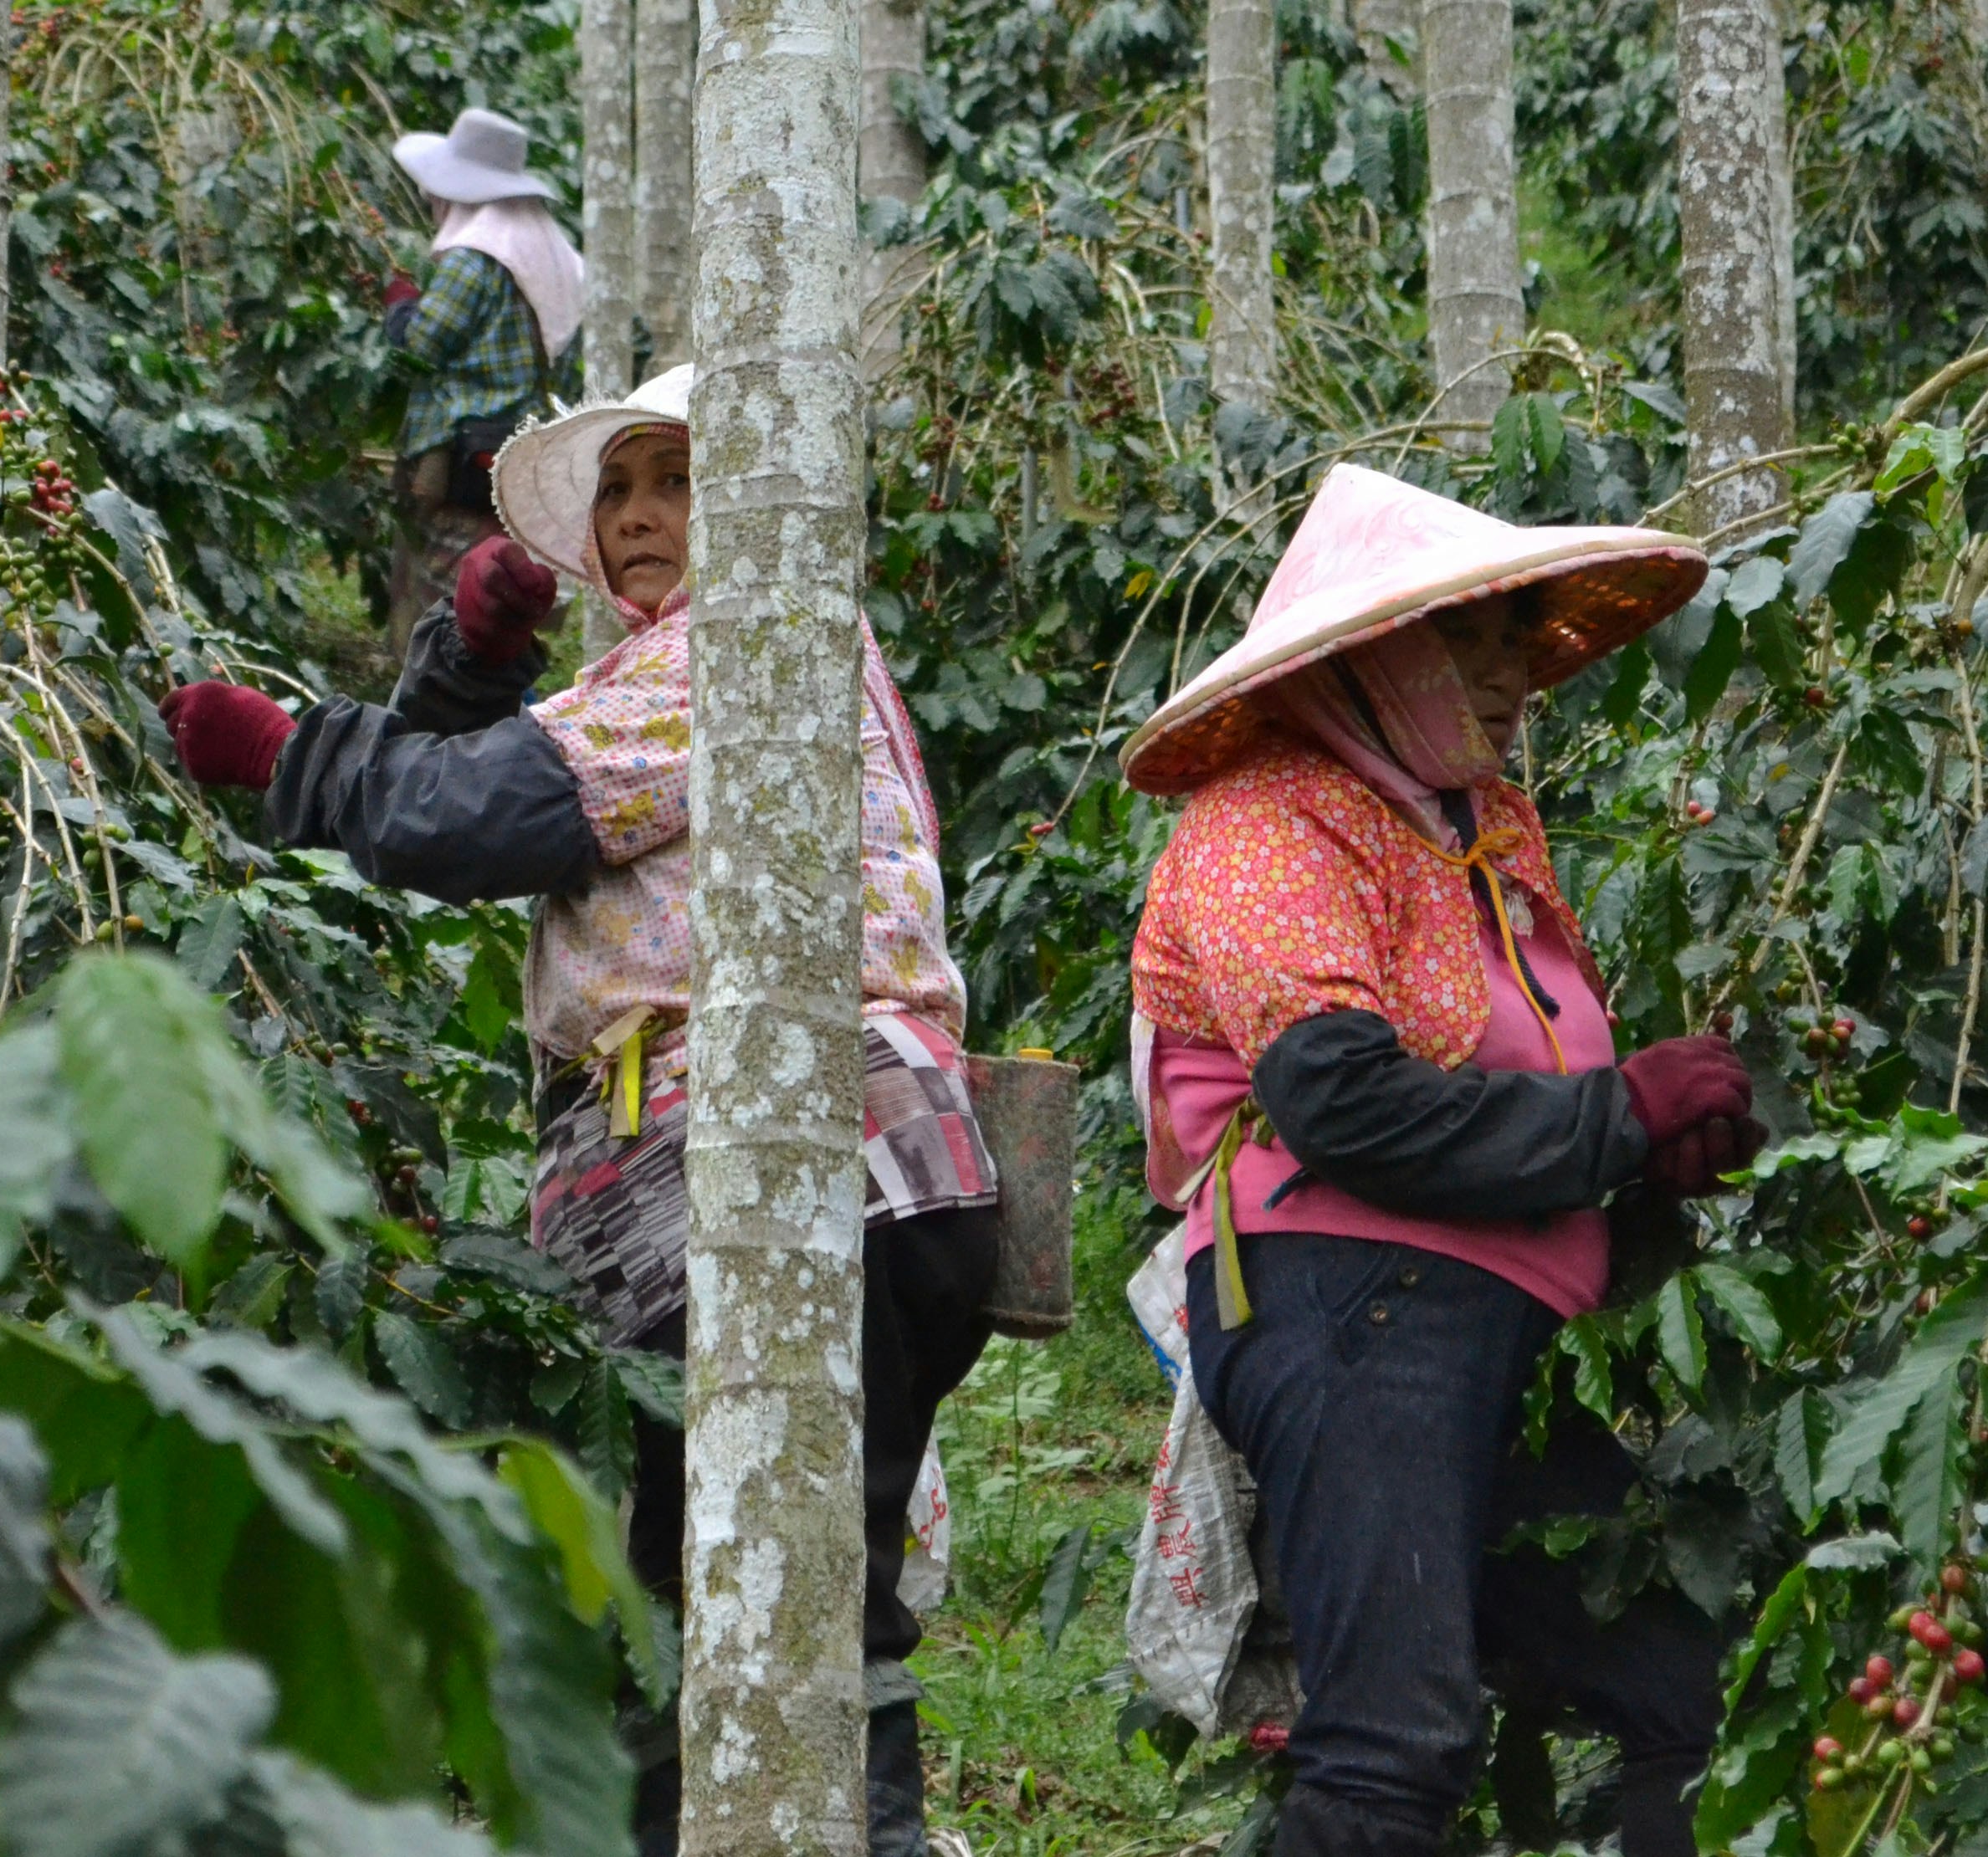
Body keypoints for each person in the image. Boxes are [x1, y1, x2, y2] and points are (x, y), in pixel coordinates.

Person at [157, 365, 998, 1857]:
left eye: (674, 484)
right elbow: (490, 772)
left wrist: (293, 756)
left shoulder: (745, 649)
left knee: (730, 1615)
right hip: (868, 1175)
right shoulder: (698, 672)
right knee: (773, 1596)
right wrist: (470, 667)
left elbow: (471, 819)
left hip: (782, 1174)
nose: (636, 519)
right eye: (615, 493)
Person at [1121, 463, 1761, 1857]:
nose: (1508, 672)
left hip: (1503, 1332)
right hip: (1357, 1311)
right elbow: (1348, 1107)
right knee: (1390, 1752)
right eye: (1465, 635)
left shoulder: (1479, 835)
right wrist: (1619, 1120)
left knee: (1696, 1699)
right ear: (1365, 655)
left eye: (1516, 636)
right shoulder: (1263, 819)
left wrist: (1652, 1149)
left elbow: (1520, 1094)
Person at [381, 107, 584, 645]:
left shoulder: (476, 255)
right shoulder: (554, 252)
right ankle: (506, 695)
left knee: (446, 602)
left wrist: (400, 307)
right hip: (523, 452)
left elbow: (422, 347)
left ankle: (443, 702)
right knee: (498, 593)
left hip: (462, 457)